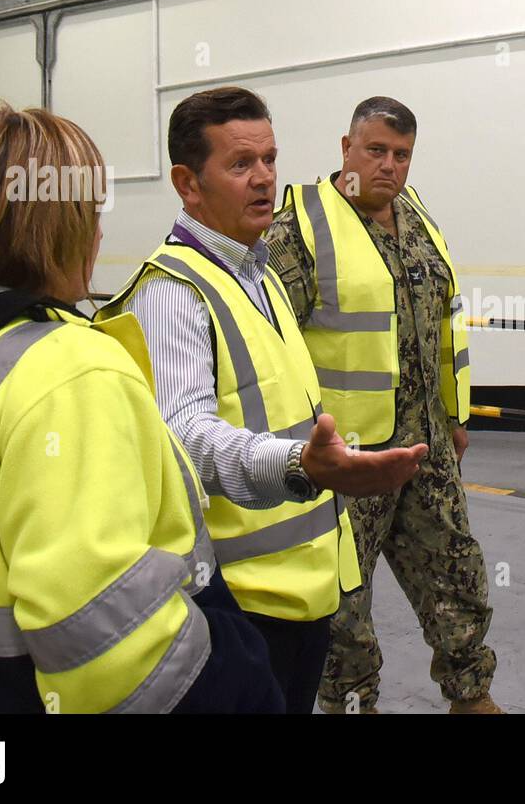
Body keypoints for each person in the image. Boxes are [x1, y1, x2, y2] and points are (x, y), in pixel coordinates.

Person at [0, 101, 283, 713]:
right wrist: (239, 680)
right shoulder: (65, 371)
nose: (98, 230)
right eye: (88, 211)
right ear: (51, 224)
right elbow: (111, 646)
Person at [100, 86, 425, 714]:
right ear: (186, 183)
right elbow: (183, 439)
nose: (264, 179)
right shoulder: (174, 293)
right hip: (238, 605)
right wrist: (299, 465)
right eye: (241, 165)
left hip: (304, 594)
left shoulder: (263, 275)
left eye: (270, 160)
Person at [265, 96, 500, 714]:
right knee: (343, 599)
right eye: (376, 151)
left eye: (401, 155)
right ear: (346, 148)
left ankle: (471, 695)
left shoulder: (417, 216)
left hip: (425, 447)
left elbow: (446, 320)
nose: (389, 166)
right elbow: (272, 346)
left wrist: (455, 416)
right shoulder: (299, 230)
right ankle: (351, 703)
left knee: (456, 572)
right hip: (348, 458)